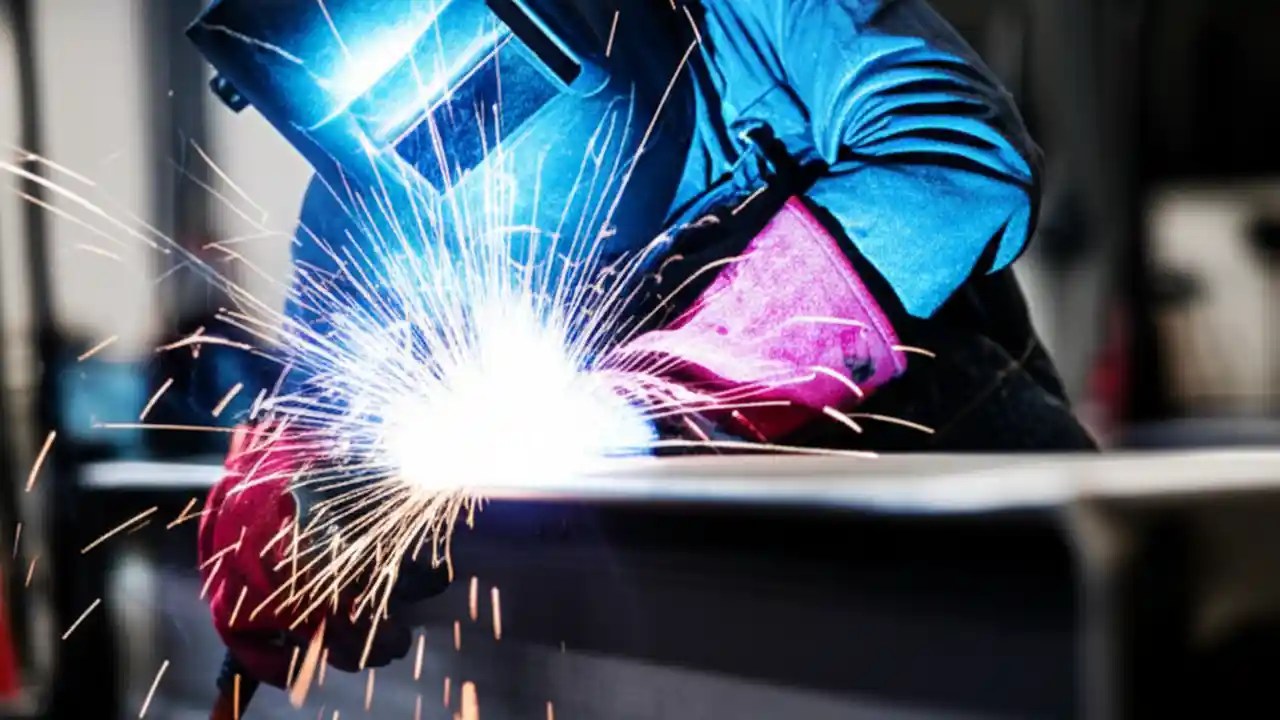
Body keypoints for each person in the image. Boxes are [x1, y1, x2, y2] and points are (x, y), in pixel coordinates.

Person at [196, 0, 1096, 696]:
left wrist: (675, 388)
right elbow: (325, 399)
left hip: (993, 580)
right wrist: (281, 491)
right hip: (693, 651)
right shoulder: (356, 184)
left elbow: (956, 154)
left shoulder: (743, 17)